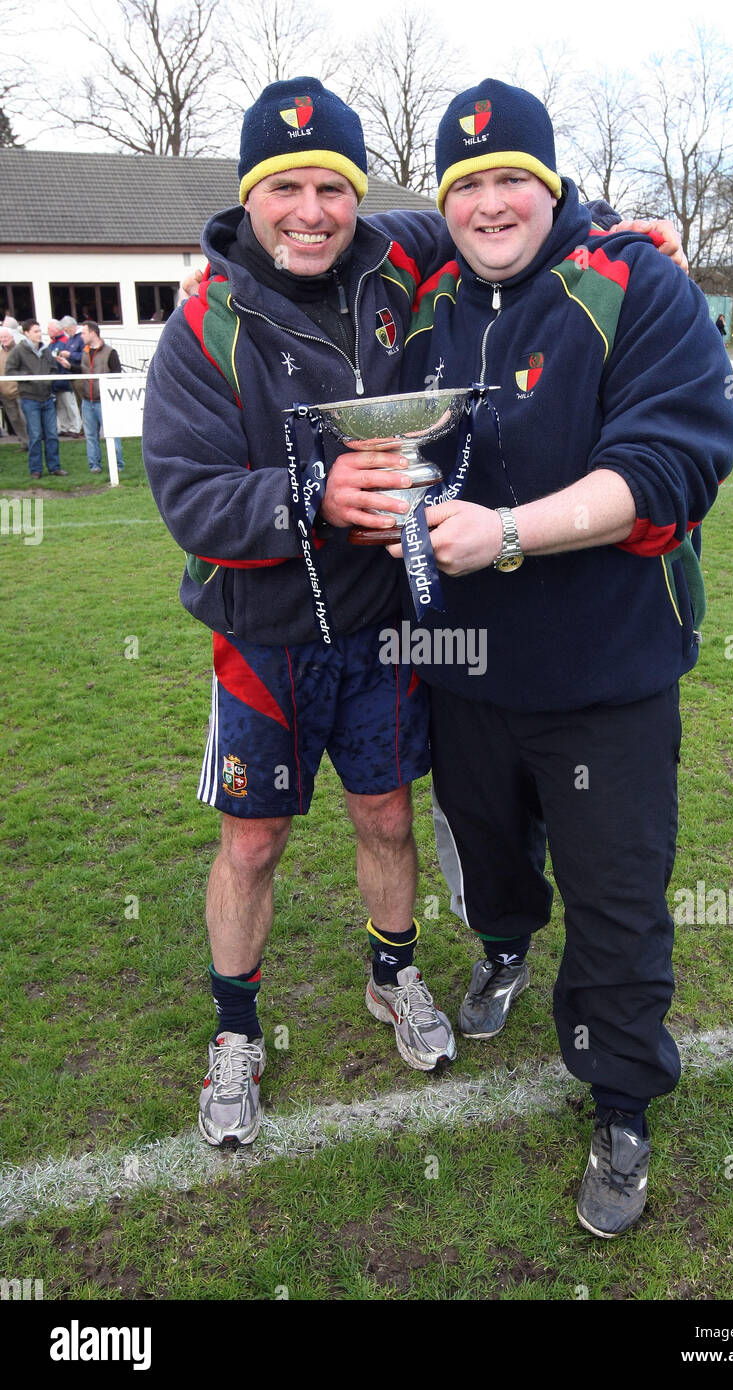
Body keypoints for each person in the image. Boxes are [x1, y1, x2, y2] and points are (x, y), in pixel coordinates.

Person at [331, 79, 733, 1238]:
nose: (488, 202)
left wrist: (509, 530)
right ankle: (504, 946)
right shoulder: (430, 301)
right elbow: (344, 235)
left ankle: (619, 1104)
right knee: (489, 858)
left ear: (551, 186)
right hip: (461, 667)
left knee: (615, 906)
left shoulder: (630, 280)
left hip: (605, 676)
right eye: (463, 184)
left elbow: (668, 465)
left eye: (512, 176)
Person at [143, 79, 463, 1149]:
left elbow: (498, 201)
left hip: (379, 628)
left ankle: (392, 974)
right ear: (251, 195)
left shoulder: (397, 255)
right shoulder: (203, 321)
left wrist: (620, 232)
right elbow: (186, 495)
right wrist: (310, 497)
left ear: (356, 193)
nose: (311, 211)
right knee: (255, 840)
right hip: (262, 640)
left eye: (331, 185)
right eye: (285, 187)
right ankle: (234, 1034)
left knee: (385, 816)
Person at [4, 319, 69, 477]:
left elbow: (53, 368)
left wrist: (50, 379)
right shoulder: (19, 351)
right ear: (26, 333)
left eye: (40, 331)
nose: (39, 334)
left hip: (47, 397)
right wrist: (26, 376)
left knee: (52, 435)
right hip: (29, 398)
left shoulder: (45, 350)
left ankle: (54, 467)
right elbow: (10, 371)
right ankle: (36, 469)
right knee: (35, 435)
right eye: (35, 331)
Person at [75, 321, 125, 473]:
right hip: (87, 401)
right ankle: (94, 466)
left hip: (104, 401)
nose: (81, 336)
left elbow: (117, 375)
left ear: (93, 333)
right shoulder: (85, 352)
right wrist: (69, 366)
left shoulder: (110, 352)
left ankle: (118, 465)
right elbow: (84, 371)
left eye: (83, 332)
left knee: (113, 434)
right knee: (90, 436)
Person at [47, 318, 83, 435]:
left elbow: (83, 356)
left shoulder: (76, 339)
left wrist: (69, 355)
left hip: (72, 376)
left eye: (66, 329)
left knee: (71, 405)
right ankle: (66, 427)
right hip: (63, 376)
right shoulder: (63, 341)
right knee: (63, 405)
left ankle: (76, 428)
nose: (66, 332)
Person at [0, 326, 29, 447]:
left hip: (20, 392)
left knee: (25, 420)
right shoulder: (0, 354)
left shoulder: (20, 351)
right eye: (1, 337)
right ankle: (24, 444)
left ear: (12, 337)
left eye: (5, 337)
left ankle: (32, 444)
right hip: (5, 394)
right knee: (14, 420)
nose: (3, 339)